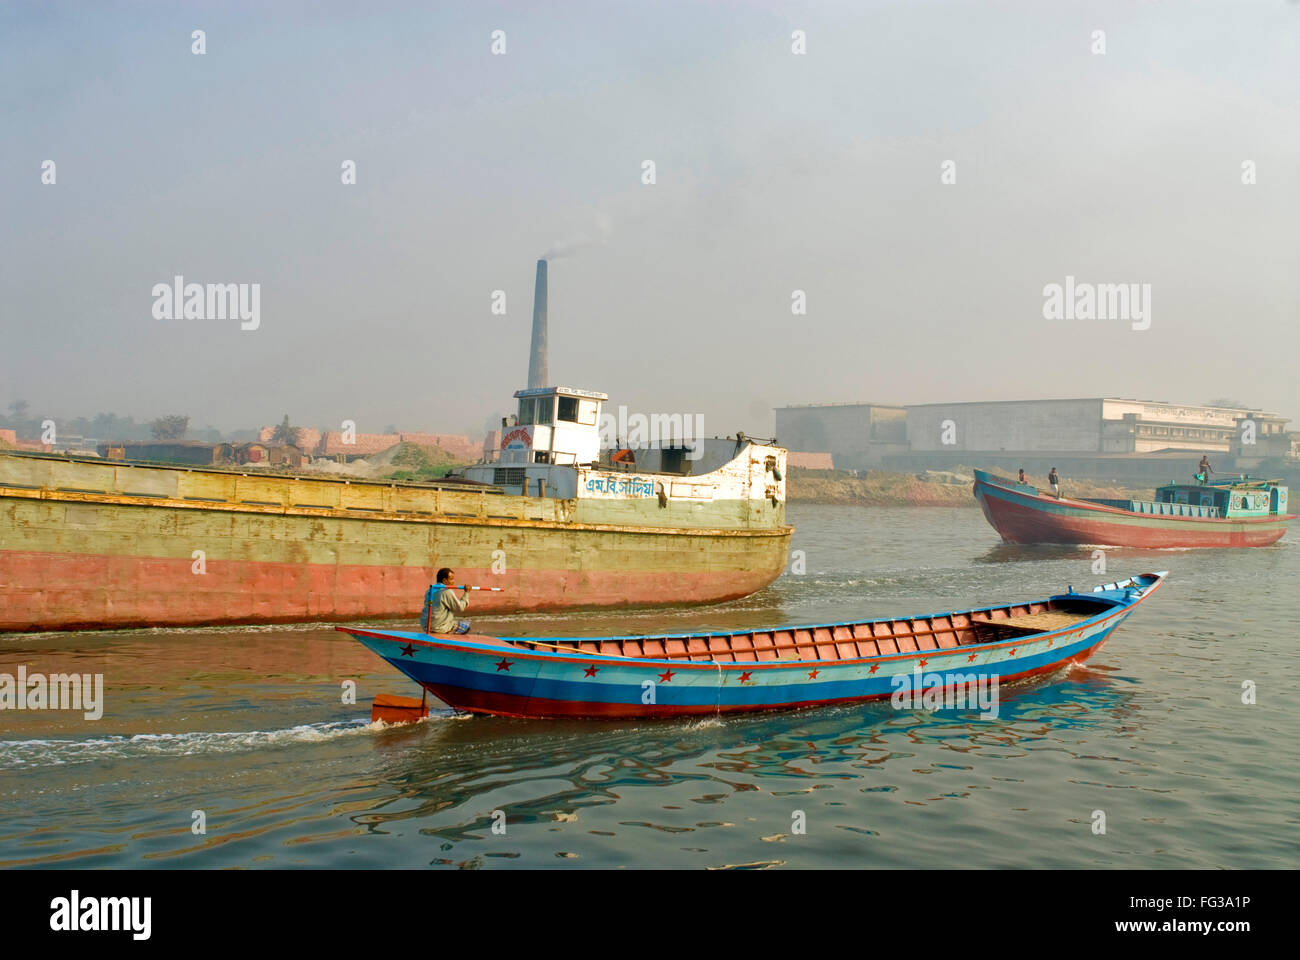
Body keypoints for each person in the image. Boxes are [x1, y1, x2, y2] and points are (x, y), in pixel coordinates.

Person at [423, 567, 471, 634]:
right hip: (439, 627)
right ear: (444, 580)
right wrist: (466, 593)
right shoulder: (446, 591)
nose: (453, 581)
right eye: (451, 579)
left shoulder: (429, 590)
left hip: (426, 626)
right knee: (466, 626)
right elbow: (460, 608)